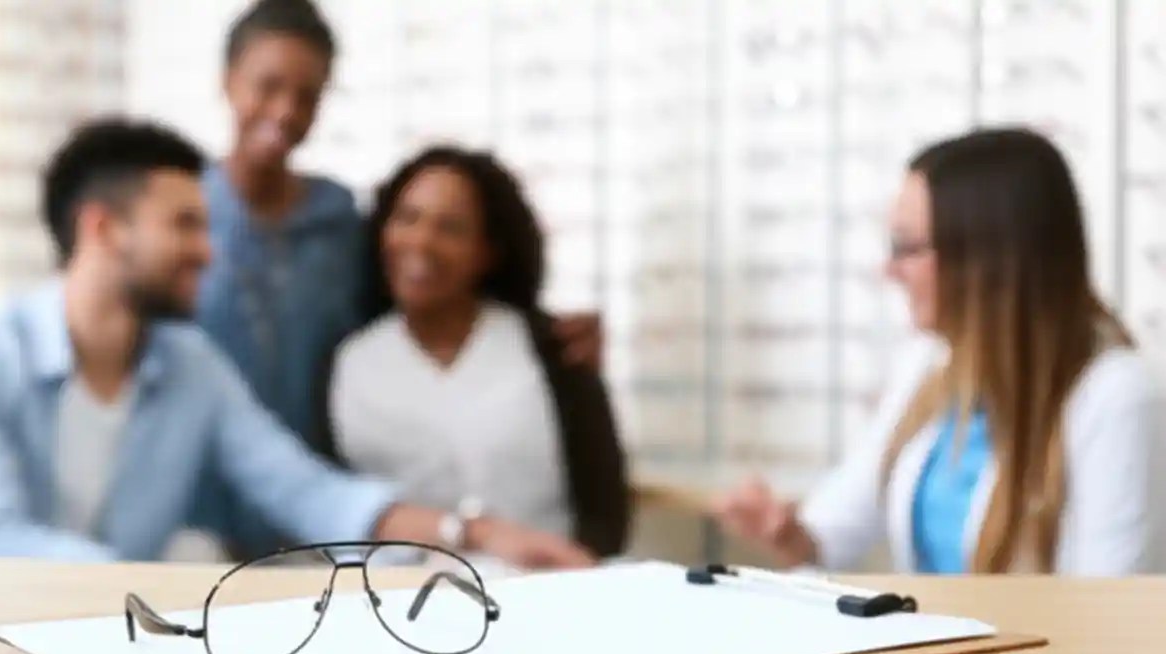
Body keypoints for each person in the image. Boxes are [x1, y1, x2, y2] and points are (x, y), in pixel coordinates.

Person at [0, 118, 593, 568]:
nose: (208, 252)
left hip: (92, 631)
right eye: (185, 225)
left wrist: (472, 533)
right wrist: (157, 590)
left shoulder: (192, 368)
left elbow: (307, 491)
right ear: (104, 229)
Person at [195, 0, 603, 558]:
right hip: (201, 516)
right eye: (267, 86)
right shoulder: (184, 220)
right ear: (227, 82)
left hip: (325, 519)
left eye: (308, 95)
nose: (286, 111)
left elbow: (424, 296)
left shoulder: (339, 222)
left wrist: (553, 338)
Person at [712, 128, 1163, 575]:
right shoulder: (930, 364)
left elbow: (1107, 610)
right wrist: (787, 532)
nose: (889, 271)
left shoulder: (1116, 396)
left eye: (906, 248)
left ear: (988, 260)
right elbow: (834, 529)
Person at [310, 147, 630, 559]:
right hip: (395, 602)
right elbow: (328, 503)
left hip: (547, 591)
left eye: (451, 228)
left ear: (487, 252)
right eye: (407, 218)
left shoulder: (552, 348)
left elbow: (606, 509)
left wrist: (572, 571)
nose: (422, 241)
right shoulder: (347, 363)